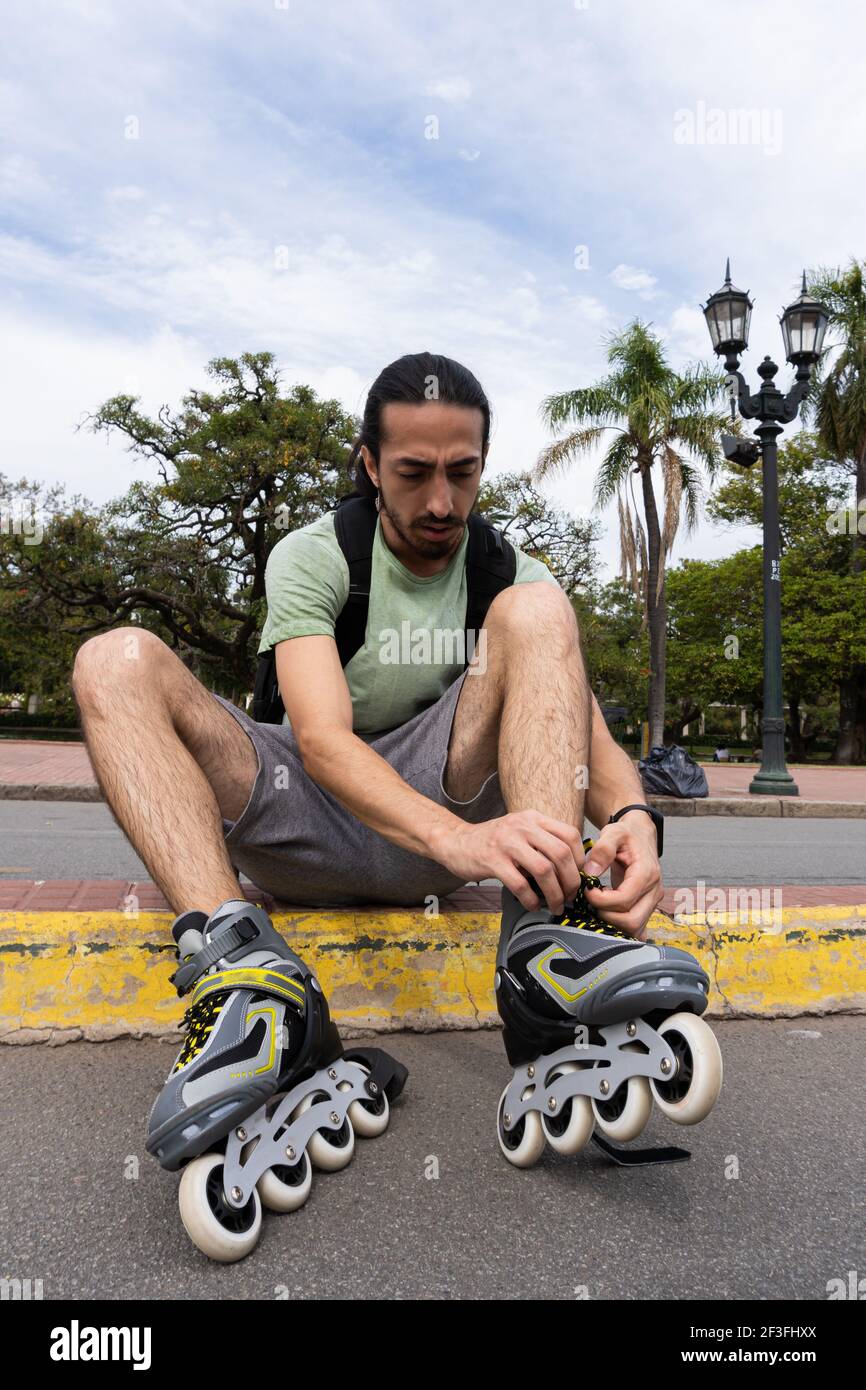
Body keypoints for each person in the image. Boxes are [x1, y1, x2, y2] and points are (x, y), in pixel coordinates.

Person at [71, 353, 665, 1236]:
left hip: (439, 809)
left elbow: (591, 735)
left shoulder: (506, 570)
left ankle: (542, 954)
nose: (440, 503)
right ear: (368, 465)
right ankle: (247, 981)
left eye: (461, 474)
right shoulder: (316, 556)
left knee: (543, 615)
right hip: (301, 817)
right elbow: (321, 740)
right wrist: (461, 846)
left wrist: (633, 822)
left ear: (481, 467)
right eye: (413, 474)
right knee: (111, 658)